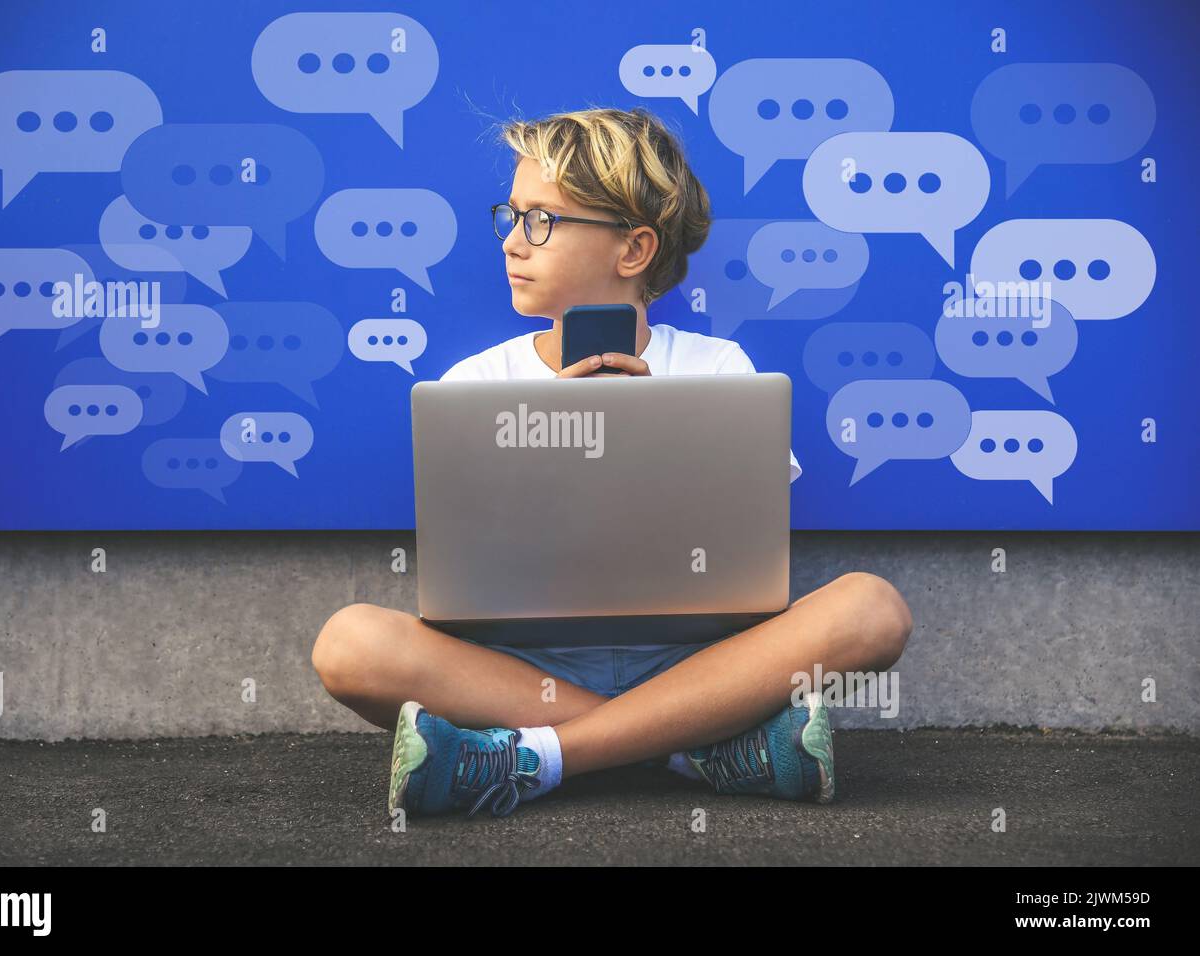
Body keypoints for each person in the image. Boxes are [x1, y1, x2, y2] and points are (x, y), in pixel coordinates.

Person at [312, 106, 913, 820]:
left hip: (697, 660)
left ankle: (533, 758)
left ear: (632, 251)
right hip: (524, 667)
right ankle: (695, 751)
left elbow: (743, 544)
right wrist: (541, 451)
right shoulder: (474, 384)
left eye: (541, 221)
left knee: (873, 610)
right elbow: (467, 569)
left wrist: (656, 437)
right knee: (348, 644)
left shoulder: (717, 368)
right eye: (511, 215)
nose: (512, 241)